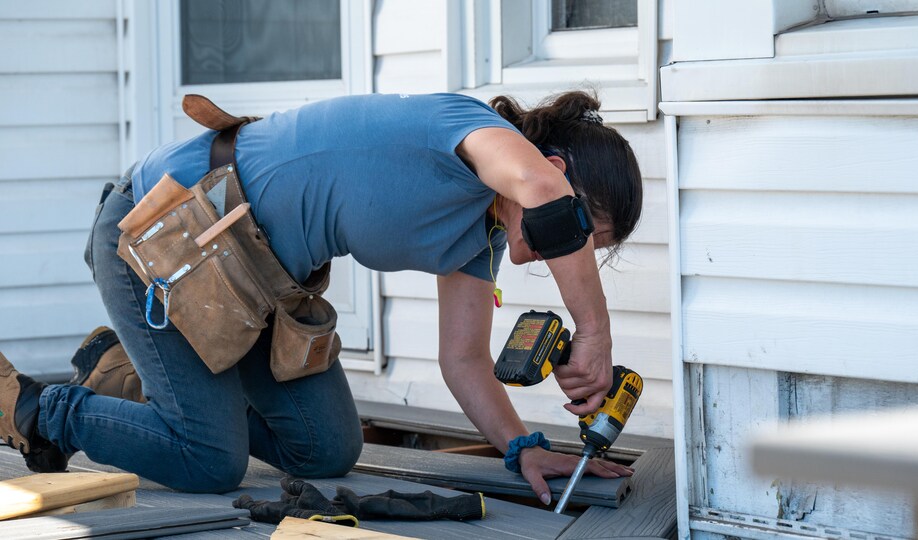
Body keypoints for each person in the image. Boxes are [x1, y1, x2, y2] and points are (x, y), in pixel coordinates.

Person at [0, 90, 643, 505]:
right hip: (158, 237)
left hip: (249, 286)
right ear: (555, 172)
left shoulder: (482, 233)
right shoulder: (469, 130)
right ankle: (35, 409)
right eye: (580, 232)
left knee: (327, 449)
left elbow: (465, 362)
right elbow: (543, 194)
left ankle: (124, 373)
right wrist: (596, 334)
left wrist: (521, 446)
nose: (548, 255)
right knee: (210, 459)